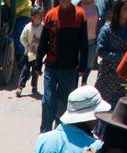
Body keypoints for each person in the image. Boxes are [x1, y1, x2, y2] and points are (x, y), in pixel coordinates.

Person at [37, 0, 90, 134]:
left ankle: (60, 132)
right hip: (51, 66)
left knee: (64, 103)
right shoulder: (50, 15)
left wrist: (83, 66)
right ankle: (45, 133)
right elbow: (43, 41)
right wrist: (38, 63)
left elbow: (83, 43)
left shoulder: (79, 15)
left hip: (70, 68)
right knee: (48, 100)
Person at [95, 0, 127, 105]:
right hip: (108, 75)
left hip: (126, 76)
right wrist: (122, 56)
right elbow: (100, 51)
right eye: (126, 8)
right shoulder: (107, 29)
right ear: (118, 9)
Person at [16, 9, 45, 97]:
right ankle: (20, 86)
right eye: (37, 17)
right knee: (25, 69)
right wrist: (27, 45)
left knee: (35, 71)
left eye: (41, 16)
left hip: (38, 53)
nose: (39, 18)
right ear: (32, 17)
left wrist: (40, 42)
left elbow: (46, 39)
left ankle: (34, 86)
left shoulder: (43, 27)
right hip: (28, 52)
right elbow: (22, 38)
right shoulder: (28, 27)